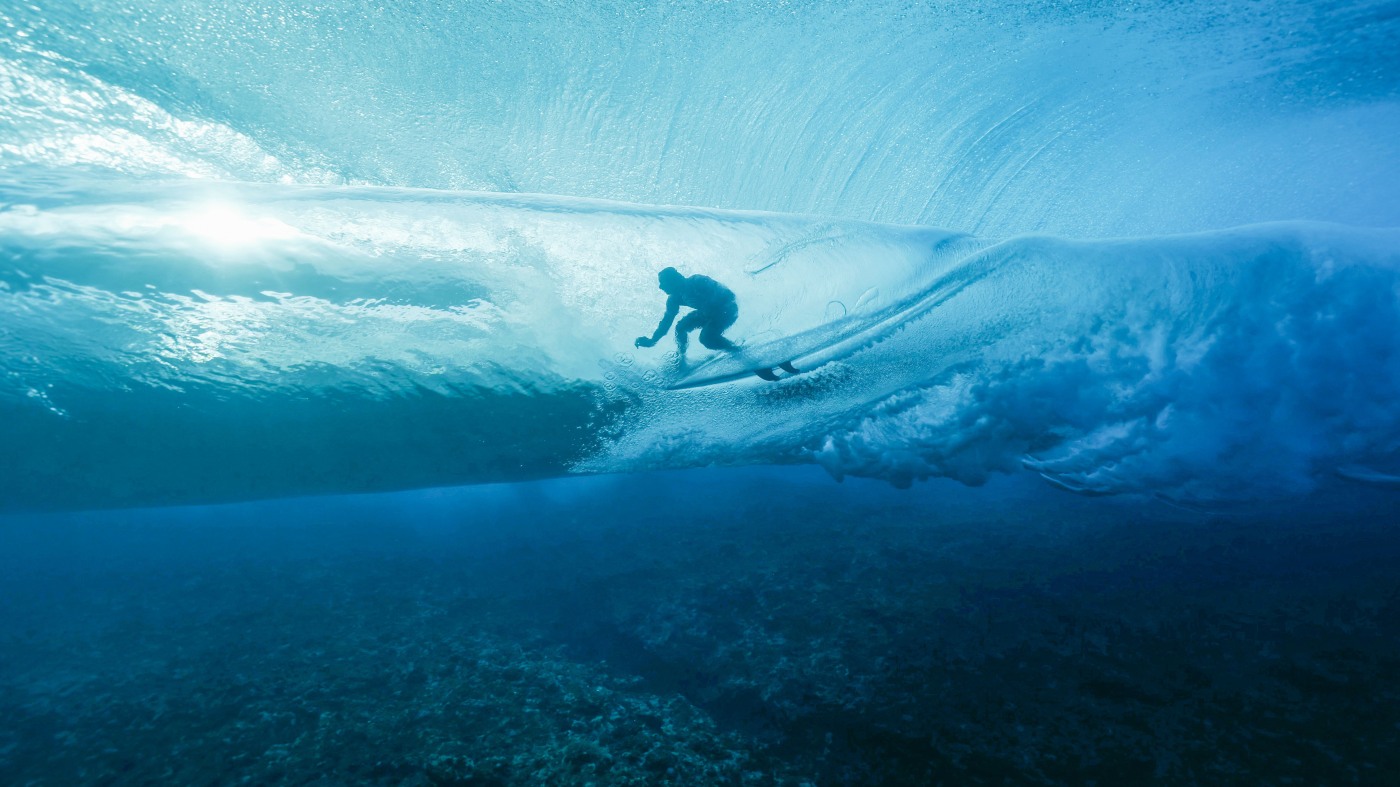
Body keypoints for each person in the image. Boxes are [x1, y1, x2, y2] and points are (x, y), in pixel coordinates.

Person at [634, 266, 739, 361]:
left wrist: (708, 304)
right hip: (707, 313)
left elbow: (730, 295)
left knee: (706, 338)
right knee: (680, 328)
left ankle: (735, 350)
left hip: (728, 309)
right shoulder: (674, 299)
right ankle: (682, 357)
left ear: (674, 280)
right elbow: (666, 321)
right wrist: (652, 340)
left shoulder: (697, 281)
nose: (660, 287)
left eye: (662, 282)